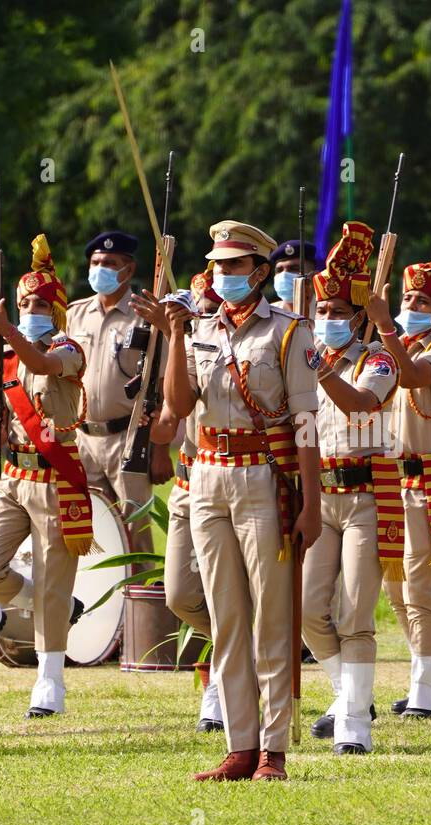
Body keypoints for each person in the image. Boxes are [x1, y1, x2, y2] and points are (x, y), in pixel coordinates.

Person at [162, 220, 321, 782]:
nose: (222, 274)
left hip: (262, 477)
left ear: (258, 271)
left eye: (233, 265)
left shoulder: (288, 331)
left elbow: (305, 421)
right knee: (226, 617)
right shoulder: (200, 330)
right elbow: (179, 405)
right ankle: (240, 746)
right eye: (217, 265)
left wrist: (312, 503)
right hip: (206, 478)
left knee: (271, 615)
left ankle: (273, 750)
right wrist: (175, 336)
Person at [0, 235, 90, 718]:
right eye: (23, 304)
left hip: (56, 478)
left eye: (39, 304)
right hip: (14, 476)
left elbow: (43, 364)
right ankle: (50, 605)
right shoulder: (7, 356)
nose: (30, 311)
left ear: (56, 310)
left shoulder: (68, 348)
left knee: (54, 580)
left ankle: (49, 681)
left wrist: (7, 331)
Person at [302, 221, 401, 754]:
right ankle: (348, 692)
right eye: (323, 310)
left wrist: (319, 370)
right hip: (319, 497)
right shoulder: (306, 360)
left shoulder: (377, 360)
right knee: (306, 609)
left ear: (360, 317)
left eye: (339, 311)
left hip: (364, 498)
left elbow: (361, 406)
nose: (329, 319)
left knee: (355, 615)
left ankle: (355, 728)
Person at [367, 237, 431, 718]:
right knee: (394, 588)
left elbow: (411, 376)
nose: (411, 306)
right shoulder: (390, 347)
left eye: (421, 302)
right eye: (406, 298)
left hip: (425, 482)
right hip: (389, 481)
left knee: (418, 586)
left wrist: (385, 325)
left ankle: (425, 692)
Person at [133, 274, 221, 733]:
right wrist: (152, 423)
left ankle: (220, 684)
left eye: (206, 310)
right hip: (189, 485)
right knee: (181, 595)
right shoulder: (183, 349)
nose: (200, 316)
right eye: (195, 310)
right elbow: (170, 423)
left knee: (226, 592)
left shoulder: (233, 346)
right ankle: (237, 647)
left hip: (232, 480)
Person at [65, 230, 173, 562]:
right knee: (91, 532)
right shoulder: (74, 314)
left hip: (129, 437)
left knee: (135, 530)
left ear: (129, 269)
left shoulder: (146, 316)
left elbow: (162, 386)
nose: (101, 269)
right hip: (83, 438)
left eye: (110, 263)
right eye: (96, 262)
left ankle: (141, 597)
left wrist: (159, 450)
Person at [269, 239, 320, 313]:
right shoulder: (267, 315)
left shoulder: (326, 314)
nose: (284, 275)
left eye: (293, 269)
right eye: (279, 270)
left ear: (314, 276)